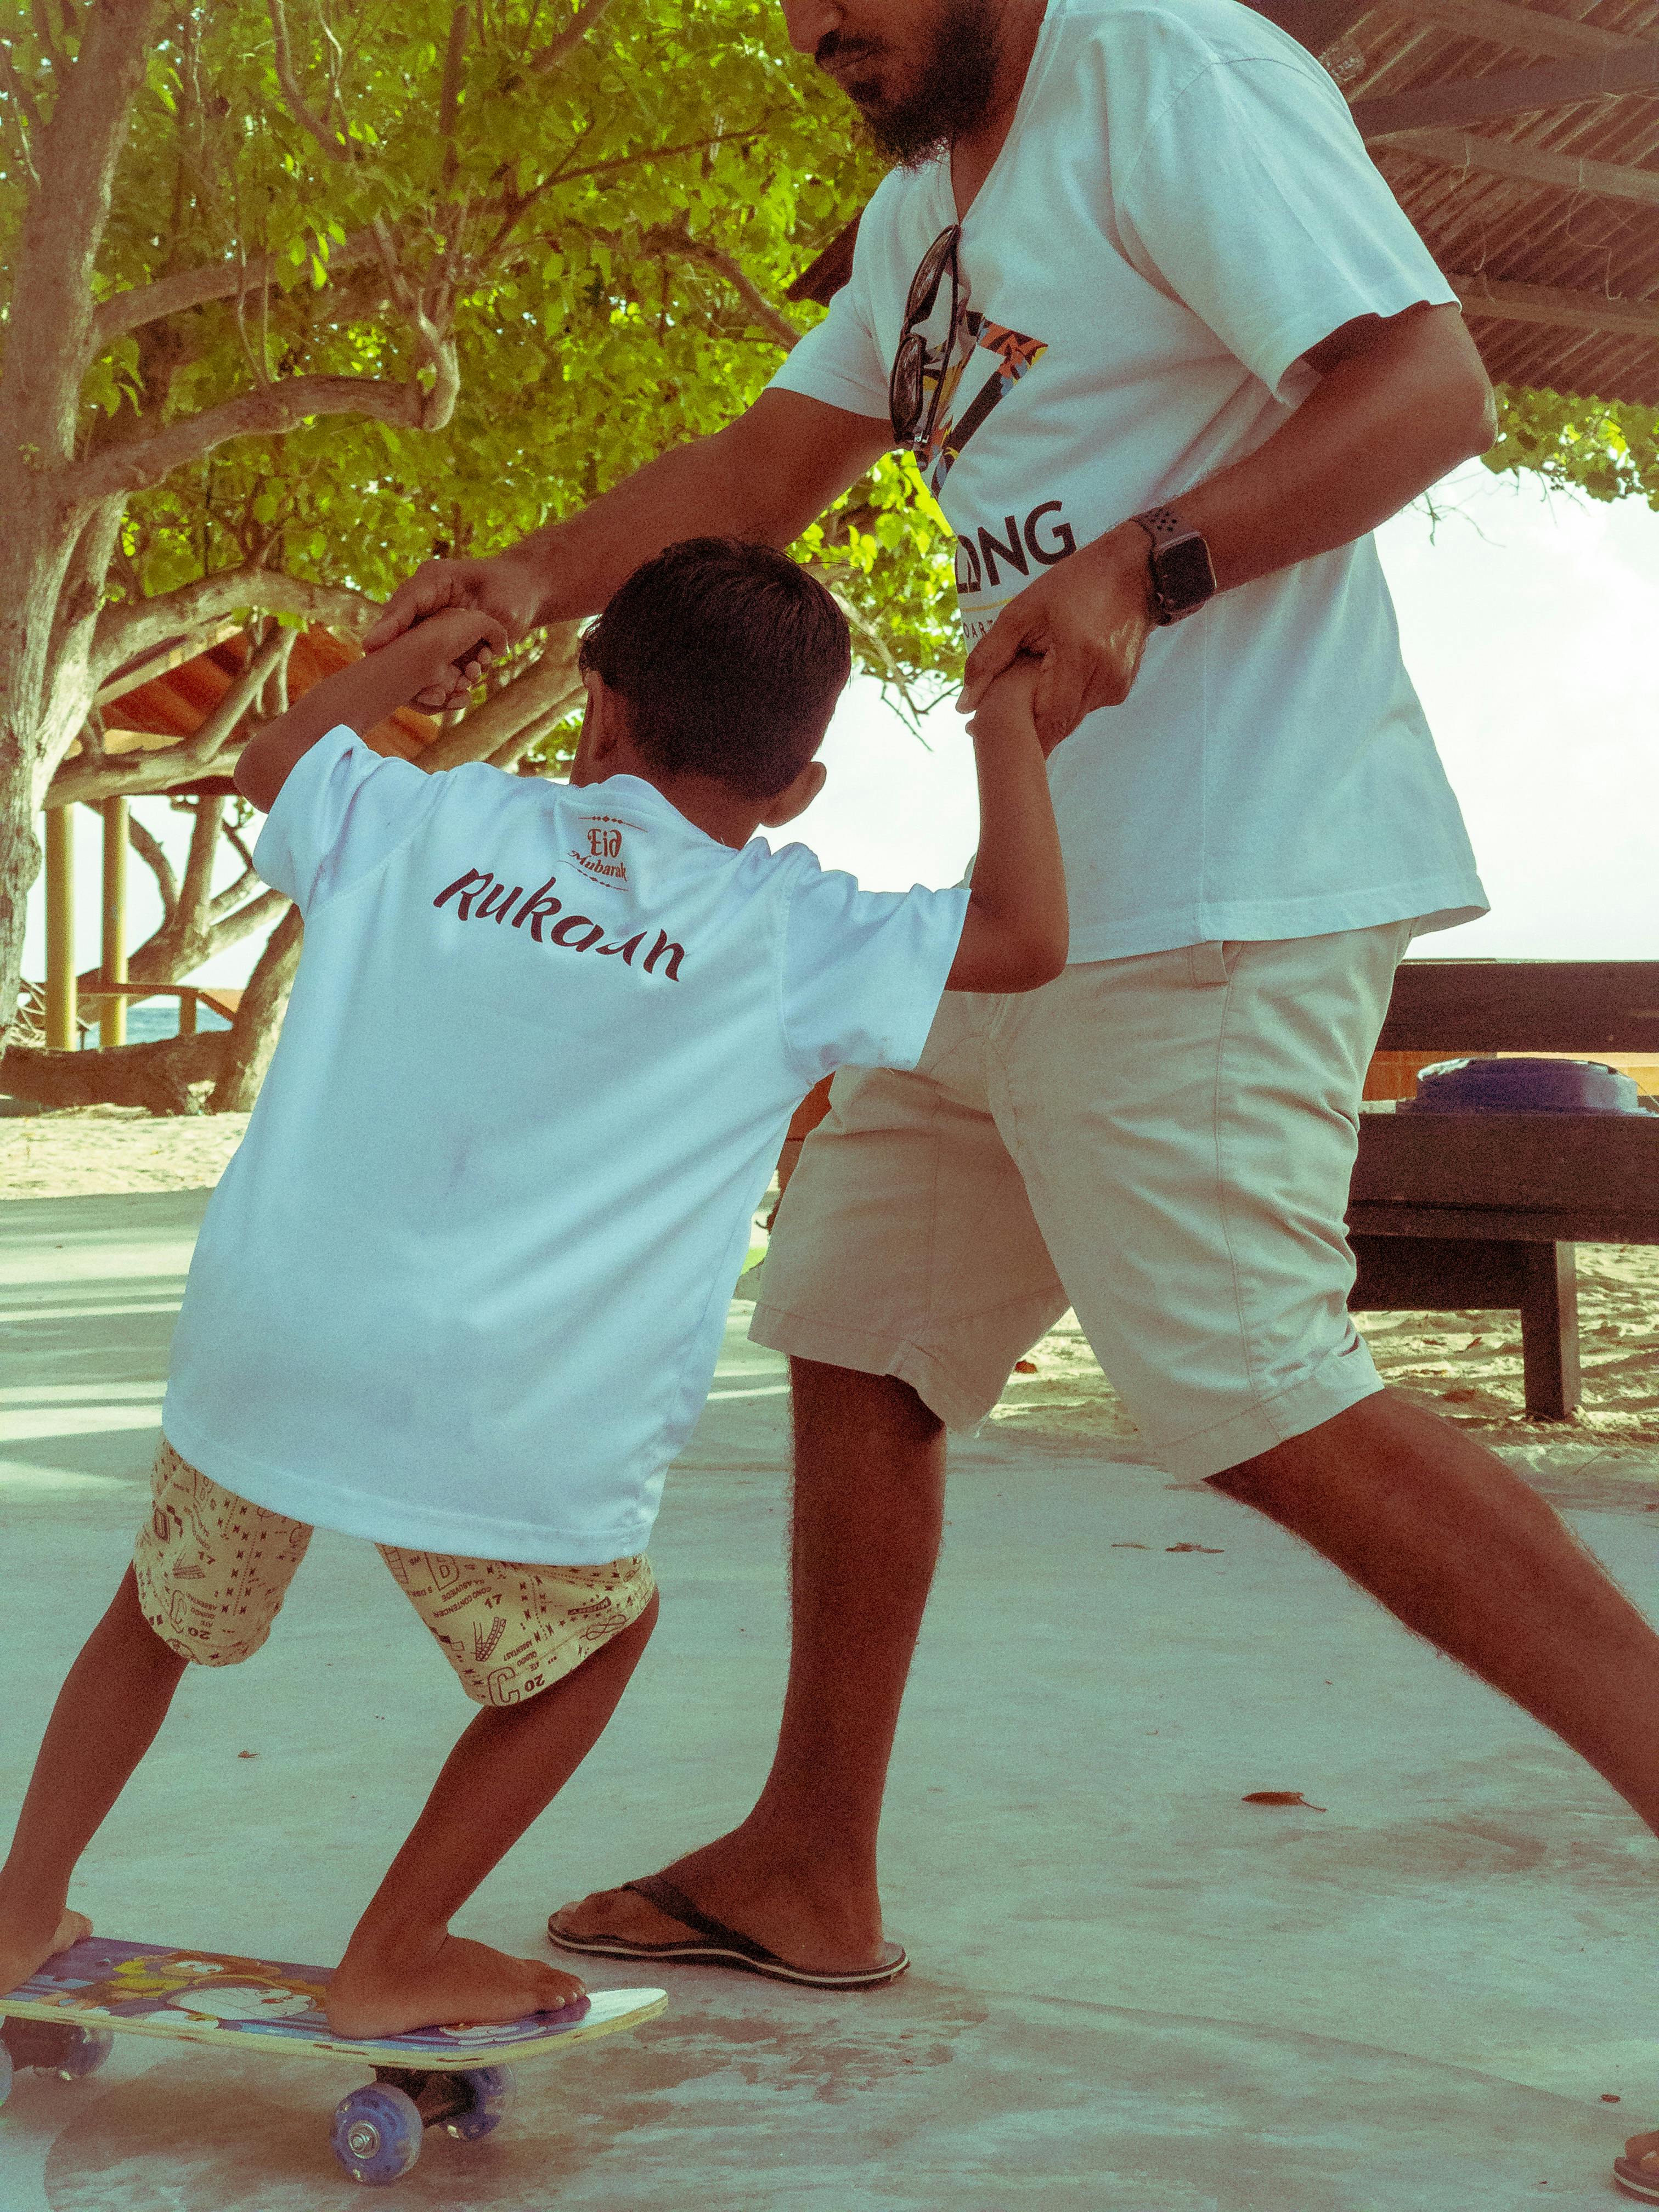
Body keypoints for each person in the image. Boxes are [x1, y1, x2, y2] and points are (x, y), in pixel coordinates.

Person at [364, 0, 1659, 2031]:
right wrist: (531, 578)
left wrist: (1156, 560)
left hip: (1222, 873)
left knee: (1254, 1385)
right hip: (1026, 903)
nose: (819, 23)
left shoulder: (1169, 74)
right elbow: (764, 467)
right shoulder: (926, 219)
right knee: (860, 1311)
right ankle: (809, 1860)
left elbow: (1430, 387)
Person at [0, 538, 1066, 2034]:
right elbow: (1026, 937)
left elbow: (274, 758)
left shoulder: (426, 815)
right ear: (798, 789)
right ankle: (396, 1947)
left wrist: (424, 650)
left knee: (160, 1617)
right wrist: (1006, 721)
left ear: (597, 705)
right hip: (503, 1411)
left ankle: (15, 1911)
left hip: (273, 1349)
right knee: (589, 1648)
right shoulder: (791, 930)